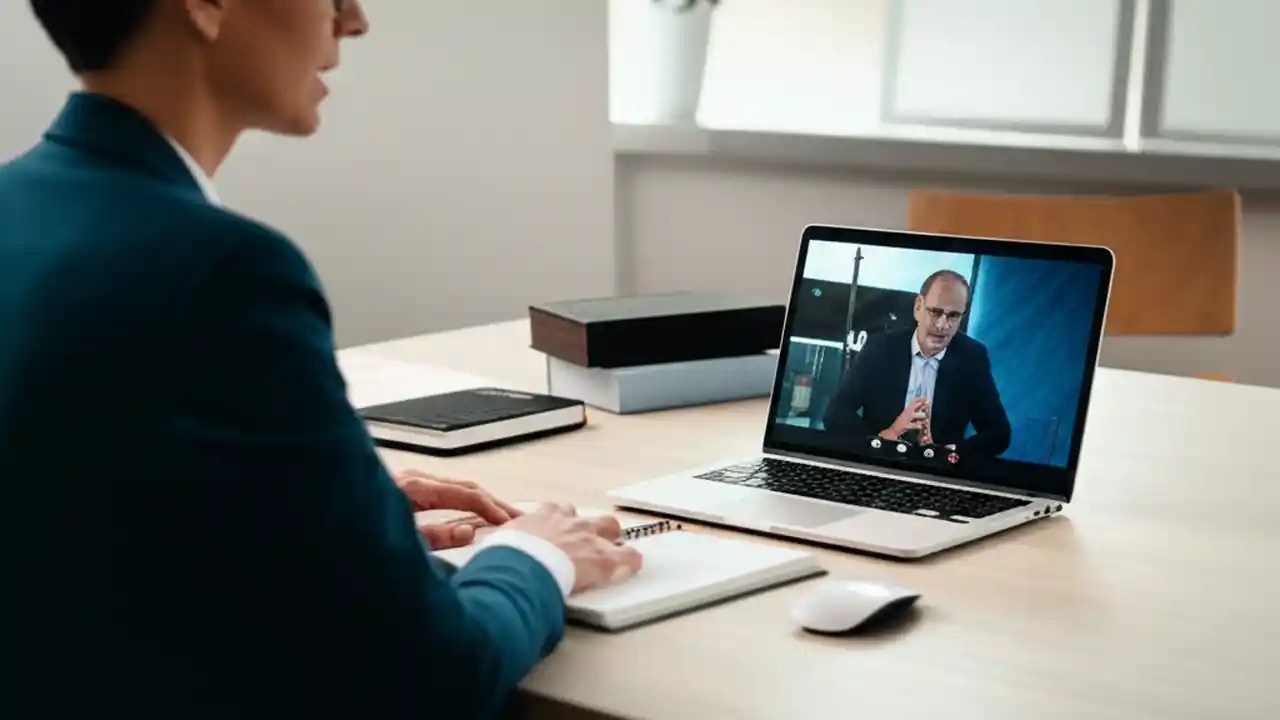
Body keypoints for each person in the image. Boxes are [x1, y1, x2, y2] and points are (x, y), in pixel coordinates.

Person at [0, 1, 640, 715]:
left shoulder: (15, 206)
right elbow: (430, 677)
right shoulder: (225, 270)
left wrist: (311, 506)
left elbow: (68, 503)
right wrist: (535, 557)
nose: (354, 20)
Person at [823, 270, 1011, 459]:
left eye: (953, 316)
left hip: (939, 474)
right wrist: (886, 437)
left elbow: (998, 435)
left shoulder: (972, 358)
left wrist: (945, 452)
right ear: (918, 307)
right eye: (935, 312)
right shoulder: (880, 348)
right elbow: (835, 415)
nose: (942, 325)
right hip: (879, 460)